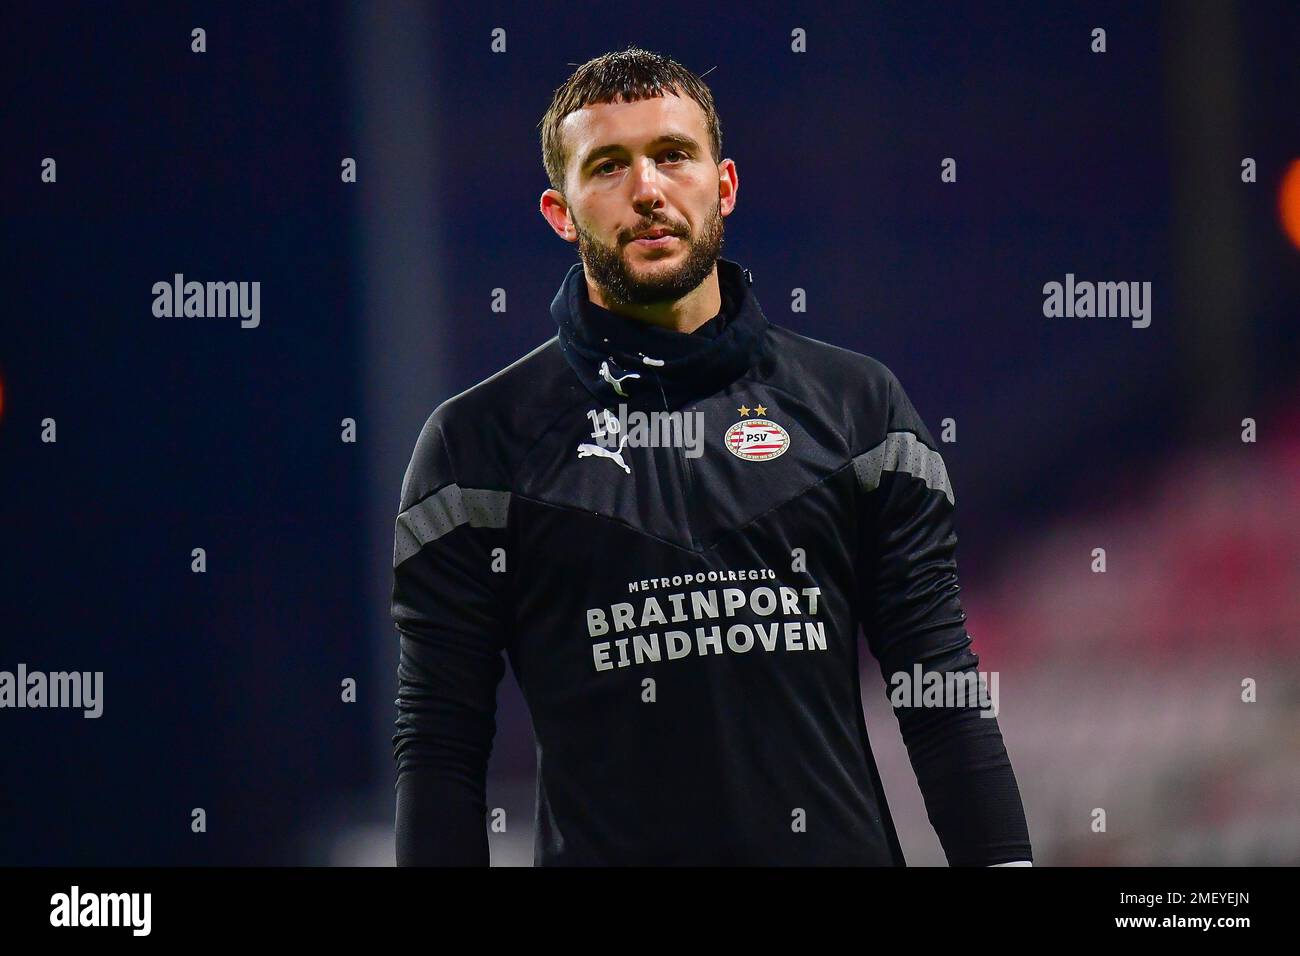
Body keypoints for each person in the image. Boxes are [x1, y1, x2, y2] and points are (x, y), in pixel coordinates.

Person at [392, 46, 1032, 866]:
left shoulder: (858, 409)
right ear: (561, 211)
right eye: (609, 166)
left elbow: (937, 690)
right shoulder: (476, 446)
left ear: (723, 185)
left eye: (671, 155)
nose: (648, 190)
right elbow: (442, 745)